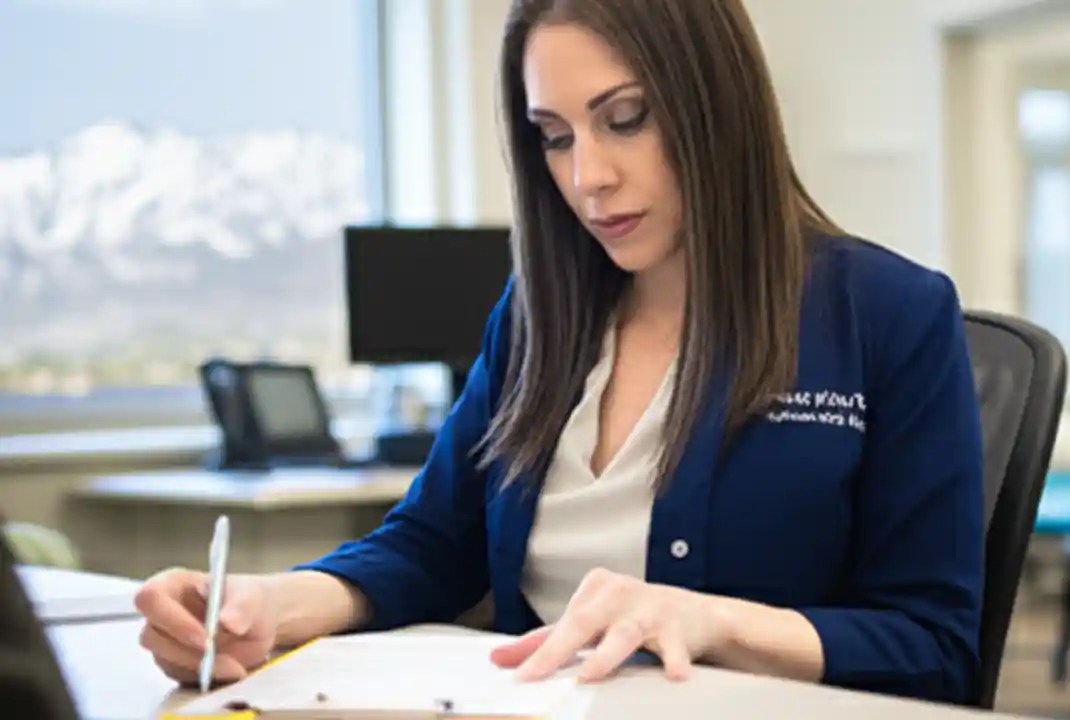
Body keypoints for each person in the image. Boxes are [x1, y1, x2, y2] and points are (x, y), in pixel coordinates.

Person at [132, 0, 985, 705]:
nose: (588, 177)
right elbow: (431, 545)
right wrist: (271, 606)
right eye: (555, 135)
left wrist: (712, 621)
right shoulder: (540, 314)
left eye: (627, 120)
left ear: (717, 106)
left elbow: (935, 644)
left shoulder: (889, 314)